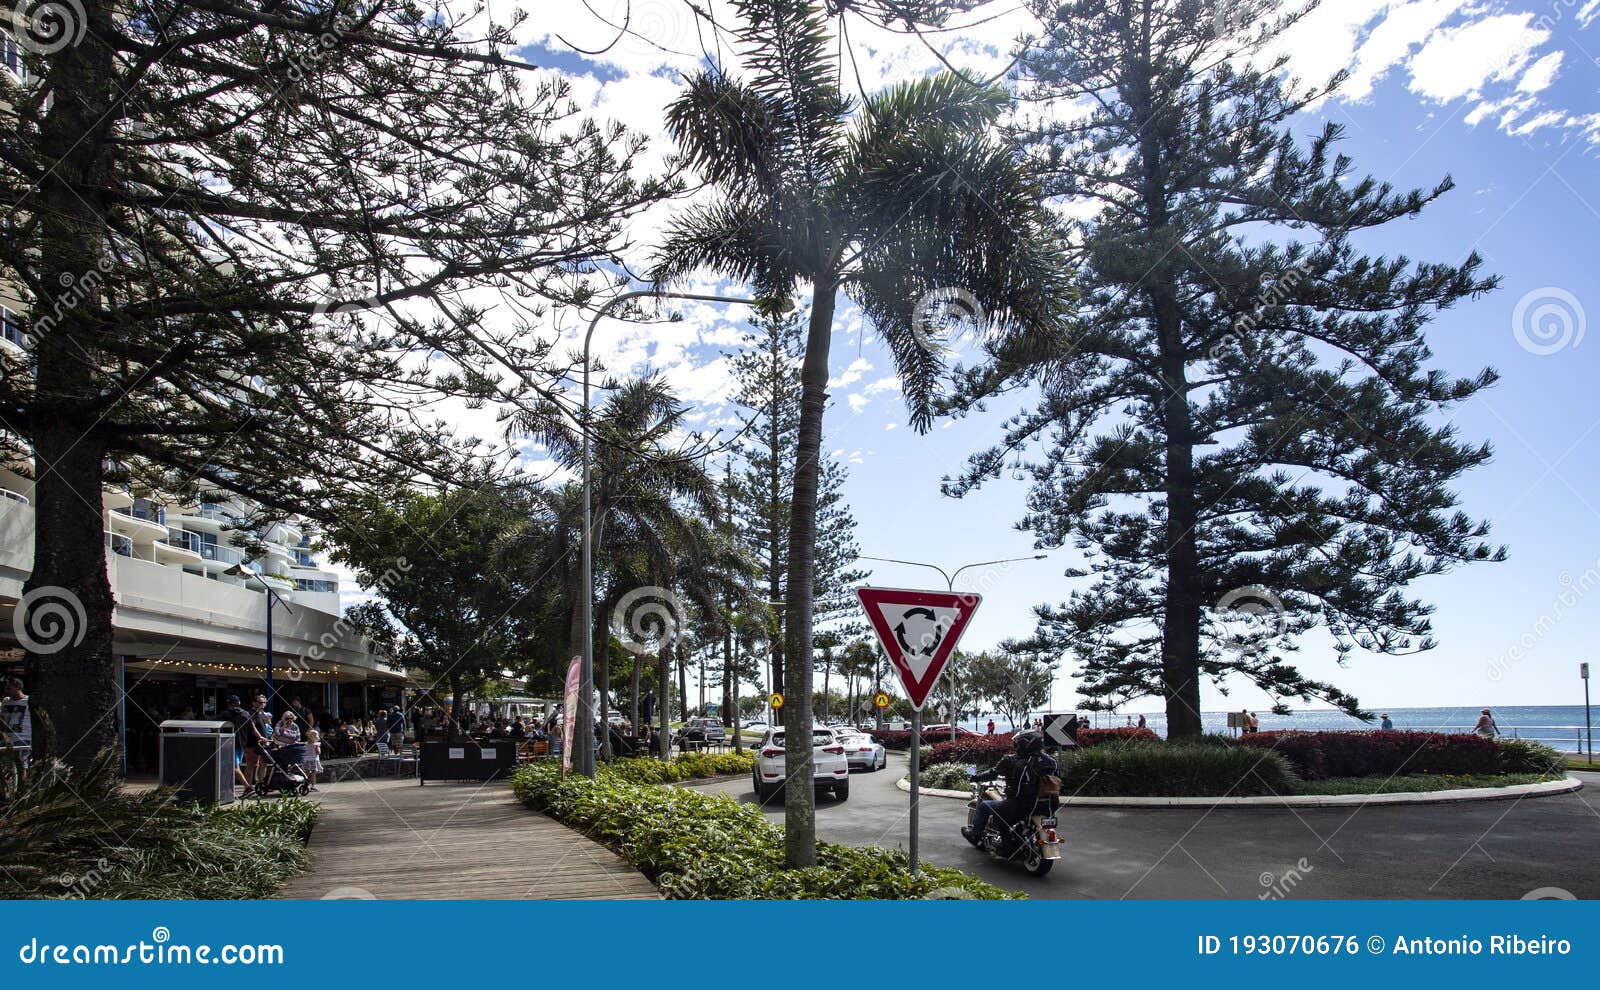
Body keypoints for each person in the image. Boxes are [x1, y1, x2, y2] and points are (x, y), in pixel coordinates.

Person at [962, 729, 1059, 845]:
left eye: (1017, 743)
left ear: (1023, 744)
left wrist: (975, 777)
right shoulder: (1051, 761)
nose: (1016, 746)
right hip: (1049, 805)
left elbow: (993, 773)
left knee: (985, 806)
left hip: (1022, 805)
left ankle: (983, 838)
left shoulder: (1012, 760)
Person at [219, 694, 253, 793]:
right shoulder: (246, 714)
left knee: (233, 767)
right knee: (231, 767)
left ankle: (248, 787)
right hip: (242, 744)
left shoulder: (226, 714)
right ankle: (228, 789)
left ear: (229, 704)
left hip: (231, 743)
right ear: (239, 703)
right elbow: (252, 728)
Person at [1, 677, 31, 763]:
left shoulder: (28, 701)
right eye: (5, 689)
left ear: (17, 687)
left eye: (9, 688)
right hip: (7, 741)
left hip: (23, 739)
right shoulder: (6, 701)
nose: (7, 691)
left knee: (22, 764)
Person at [303, 727, 323, 791]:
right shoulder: (316, 744)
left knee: (306, 773)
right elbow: (318, 752)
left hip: (306, 760)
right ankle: (313, 786)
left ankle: (304, 784)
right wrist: (318, 748)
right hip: (313, 760)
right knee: (313, 773)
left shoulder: (305, 744)